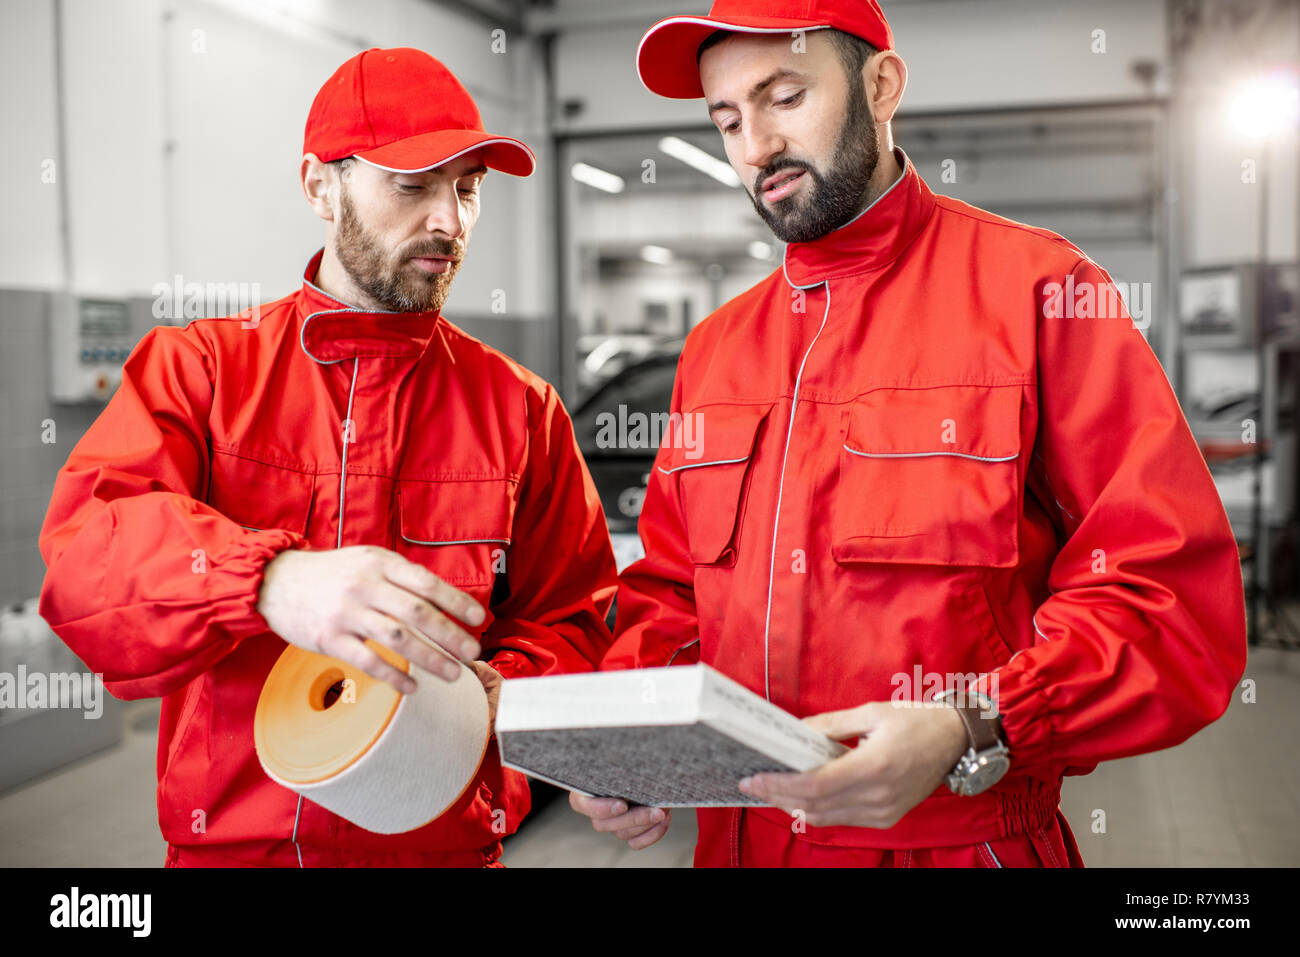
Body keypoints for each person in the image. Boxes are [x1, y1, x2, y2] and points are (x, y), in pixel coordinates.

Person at [571, 0, 1247, 867]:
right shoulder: (718, 348)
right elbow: (670, 596)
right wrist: (629, 734)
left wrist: (974, 722)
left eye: (783, 98)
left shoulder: (1041, 293)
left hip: (960, 842)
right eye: (727, 119)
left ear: (881, 85)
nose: (755, 148)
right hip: (744, 846)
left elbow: (1173, 603)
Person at [38, 47, 617, 868]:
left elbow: (577, 621)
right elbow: (85, 564)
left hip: (444, 851)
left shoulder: (521, 409)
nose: (449, 221)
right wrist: (266, 581)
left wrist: (509, 693)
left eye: (467, 188)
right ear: (320, 185)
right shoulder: (200, 371)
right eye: (413, 185)